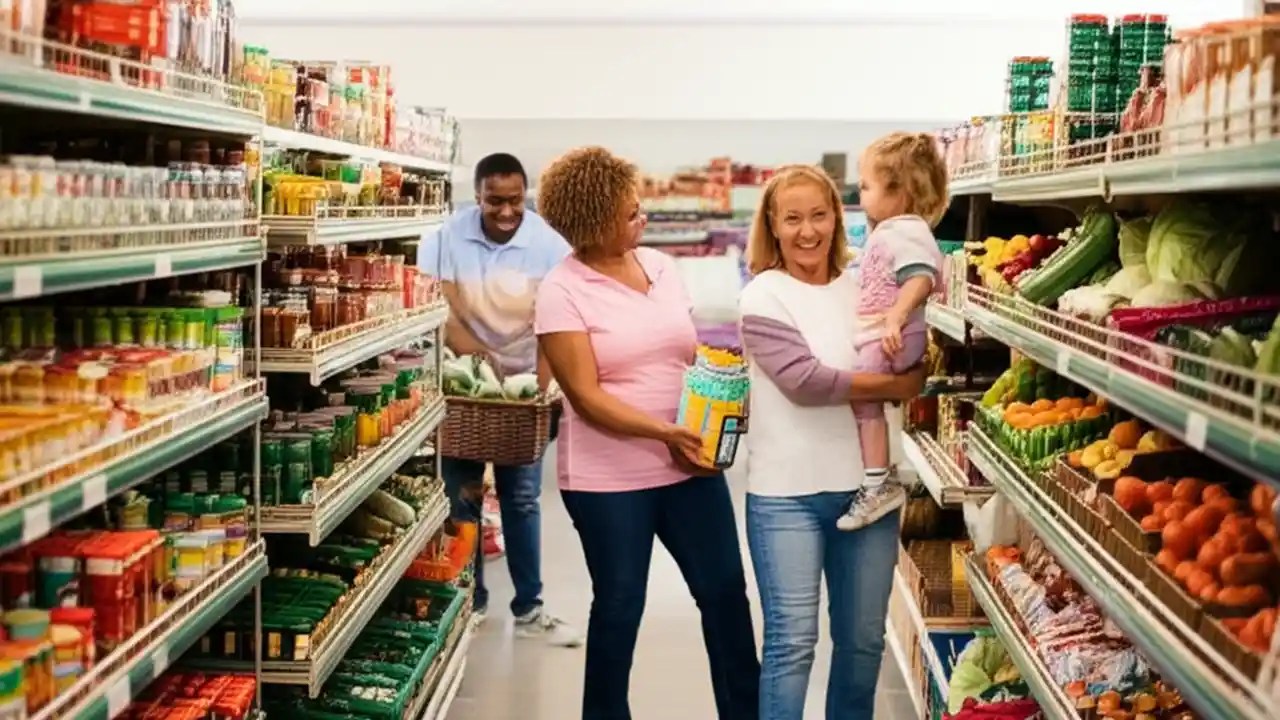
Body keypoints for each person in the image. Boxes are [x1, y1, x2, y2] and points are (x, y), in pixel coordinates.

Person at [534, 146, 760, 720]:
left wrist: (723, 400)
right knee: (619, 605)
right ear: (593, 222)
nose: (644, 219)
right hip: (607, 481)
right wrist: (664, 432)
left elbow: (684, 359)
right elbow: (585, 396)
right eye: (631, 214)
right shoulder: (561, 291)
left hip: (689, 466)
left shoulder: (660, 267)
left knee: (725, 595)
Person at [738, 164, 926, 720]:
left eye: (819, 215)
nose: (807, 231)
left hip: (869, 497)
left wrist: (907, 372)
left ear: (837, 218)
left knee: (863, 644)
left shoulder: (865, 290)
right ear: (772, 223)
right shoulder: (762, 296)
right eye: (792, 218)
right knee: (792, 646)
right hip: (784, 498)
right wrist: (898, 384)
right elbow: (805, 383)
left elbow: (911, 349)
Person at [418, 152, 580, 646]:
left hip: (526, 391)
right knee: (460, 497)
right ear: (478, 197)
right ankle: (469, 601)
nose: (506, 211)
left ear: (525, 195)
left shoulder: (550, 247)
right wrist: (480, 360)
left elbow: (557, 326)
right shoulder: (445, 239)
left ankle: (529, 607)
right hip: (466, 389)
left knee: (523, 498)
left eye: (515, 201)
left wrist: (543, 391)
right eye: (495, 202)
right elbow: (440, 310)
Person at [838, 132, 947, 531]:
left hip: (890, 337)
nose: (860, 193)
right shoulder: (893, 229)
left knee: (863, 399)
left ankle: (877, 484)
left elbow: (921, 276)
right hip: (886, 334)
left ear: (900, 191)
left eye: (866, 186)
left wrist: (895, 317)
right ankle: (879, 477)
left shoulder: (905, 230)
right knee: (867, 403)